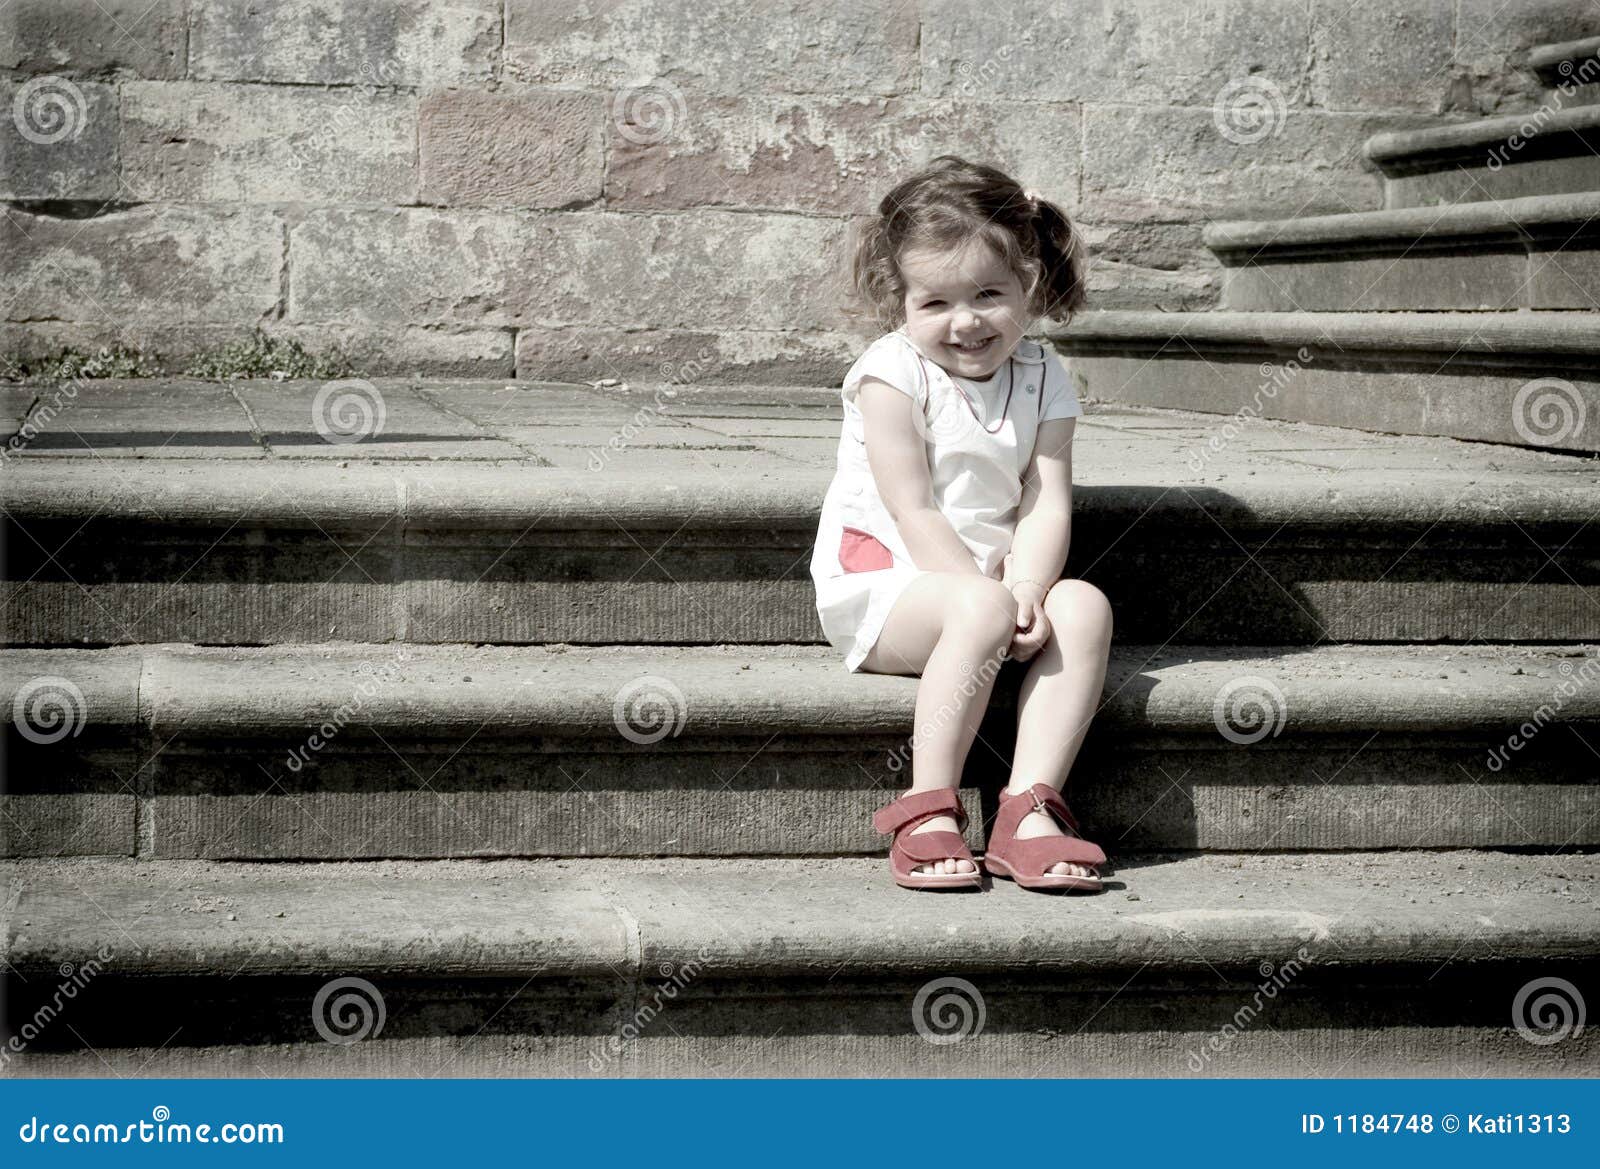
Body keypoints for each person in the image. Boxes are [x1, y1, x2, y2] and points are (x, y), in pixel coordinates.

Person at [809, 155, 1113, 893]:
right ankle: (928, 809)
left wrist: (1032, 584)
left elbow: (1046, 499)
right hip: (892, 587)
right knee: (977, 604)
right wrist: (992, 596)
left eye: (987, 294)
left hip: (991, 591)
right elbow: (912, 508)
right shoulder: (892, 374)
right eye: (936, 302)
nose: (966, 321)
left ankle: (1028, 808)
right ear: (901, 302)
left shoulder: (1043, 376)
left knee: (1084, 606)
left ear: (1028, 287)